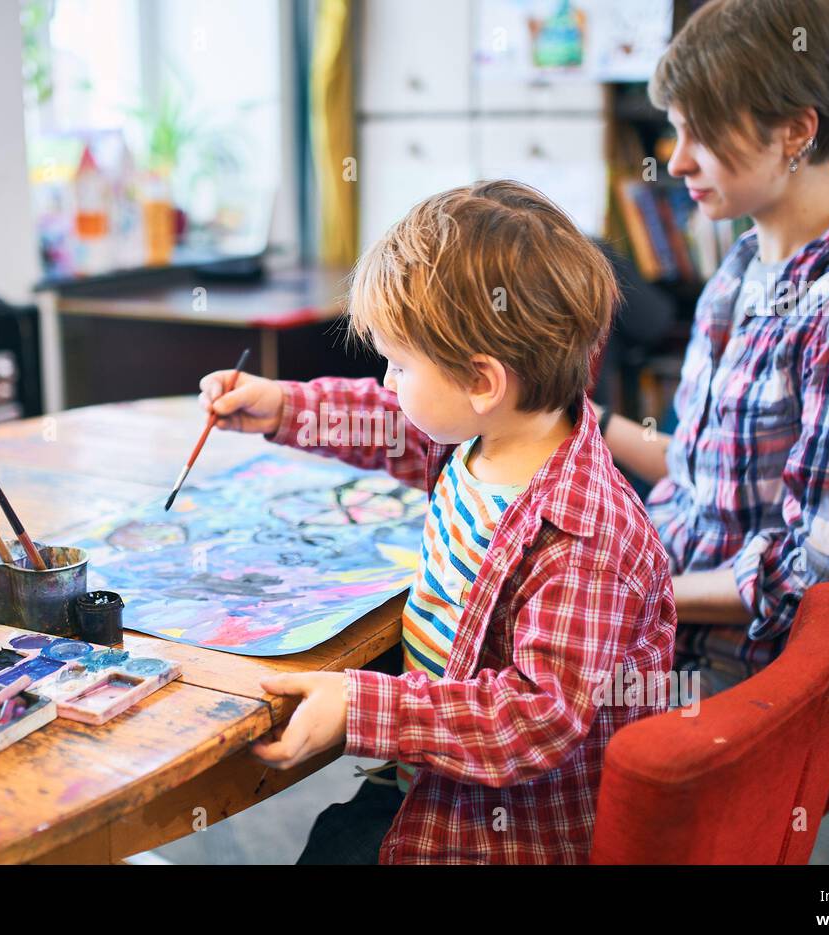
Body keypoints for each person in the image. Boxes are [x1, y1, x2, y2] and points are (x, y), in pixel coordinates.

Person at [198, 180, 676, 864]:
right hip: (431, 766)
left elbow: (535, 720)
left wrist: (365, 709)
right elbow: (390, 424)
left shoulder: (581, 537)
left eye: (398, 364)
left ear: (482, 381)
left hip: (504, 828)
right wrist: (282, 407)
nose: (388, 381)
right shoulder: (487, 434)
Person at [594, 0, 829, 692]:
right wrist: (580, 419)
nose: (675, 162)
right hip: (656, 612)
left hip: (716, 674)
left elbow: (812, 577)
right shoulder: (744, 266)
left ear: (796, 131)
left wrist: (628, 604)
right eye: (676, 131)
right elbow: (706, 474)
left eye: (699, 133)